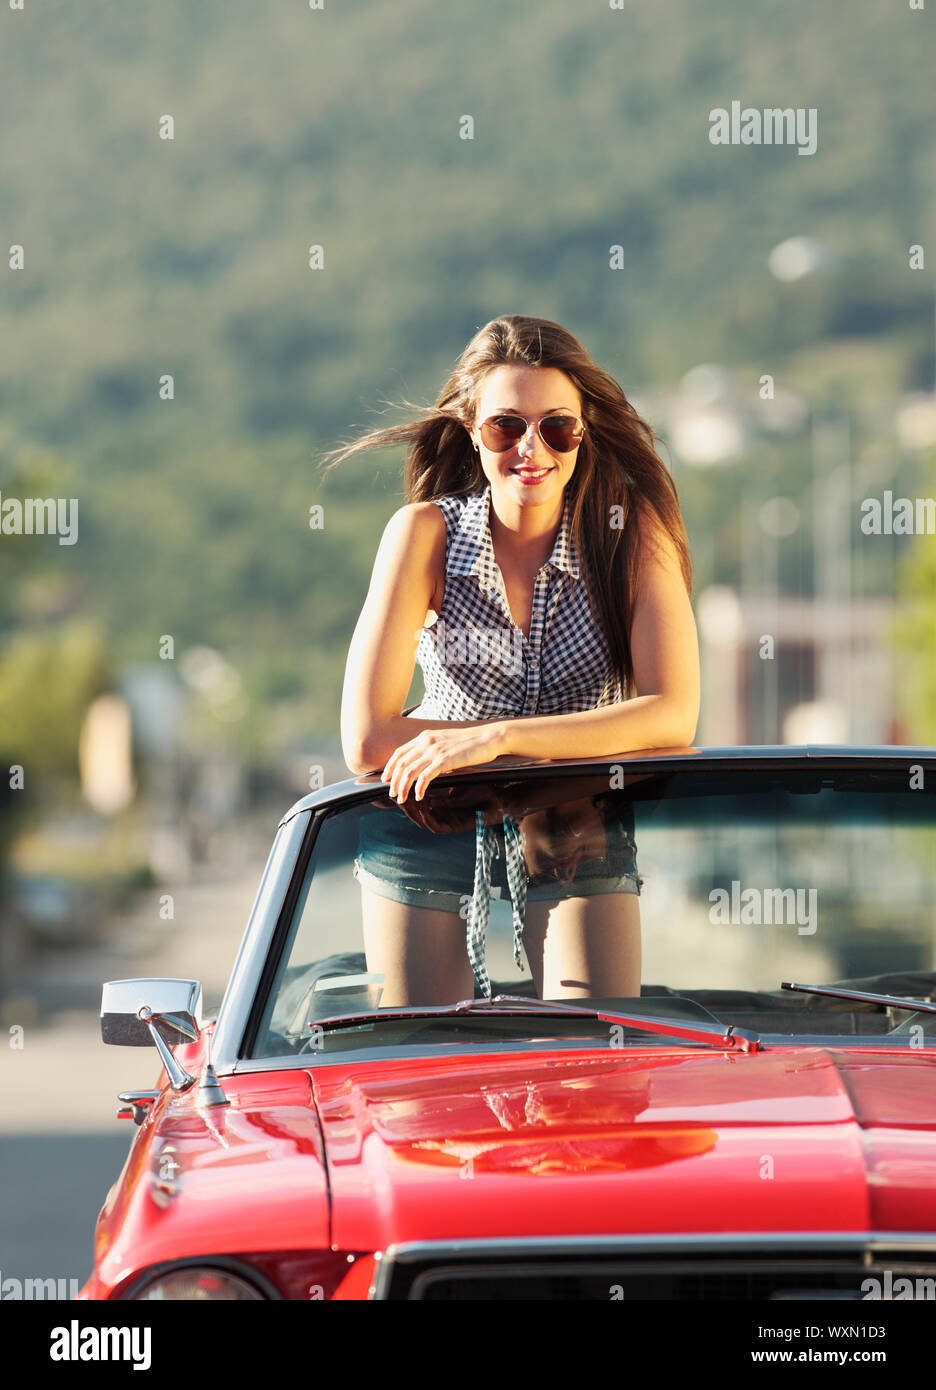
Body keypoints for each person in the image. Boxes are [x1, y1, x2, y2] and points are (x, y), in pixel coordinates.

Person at [322, 315, 699, 1005]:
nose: (533, 448)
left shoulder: (629, 534)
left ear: (582, 434)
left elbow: (674, 717)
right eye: (506, 427)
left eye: (557, 427)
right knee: (425, 1076)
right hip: (429, 814)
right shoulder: (422, 535)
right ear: (472, 429)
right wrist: (528, 747)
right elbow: (368, 739)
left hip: (574, 820)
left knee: (592, 1071)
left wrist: (495, 739)